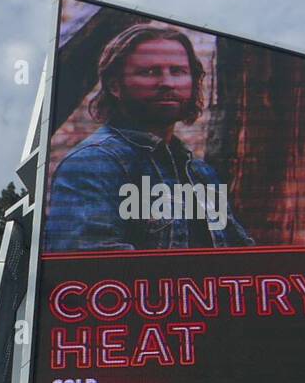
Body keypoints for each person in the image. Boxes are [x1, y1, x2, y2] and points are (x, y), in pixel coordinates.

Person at [45, 23, 253, 252]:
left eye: (178, 71)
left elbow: (240, 257)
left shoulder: (200, 173)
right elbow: (90, 267)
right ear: (115, 85)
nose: (167, 83)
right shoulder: (93, 164)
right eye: (150, 72)